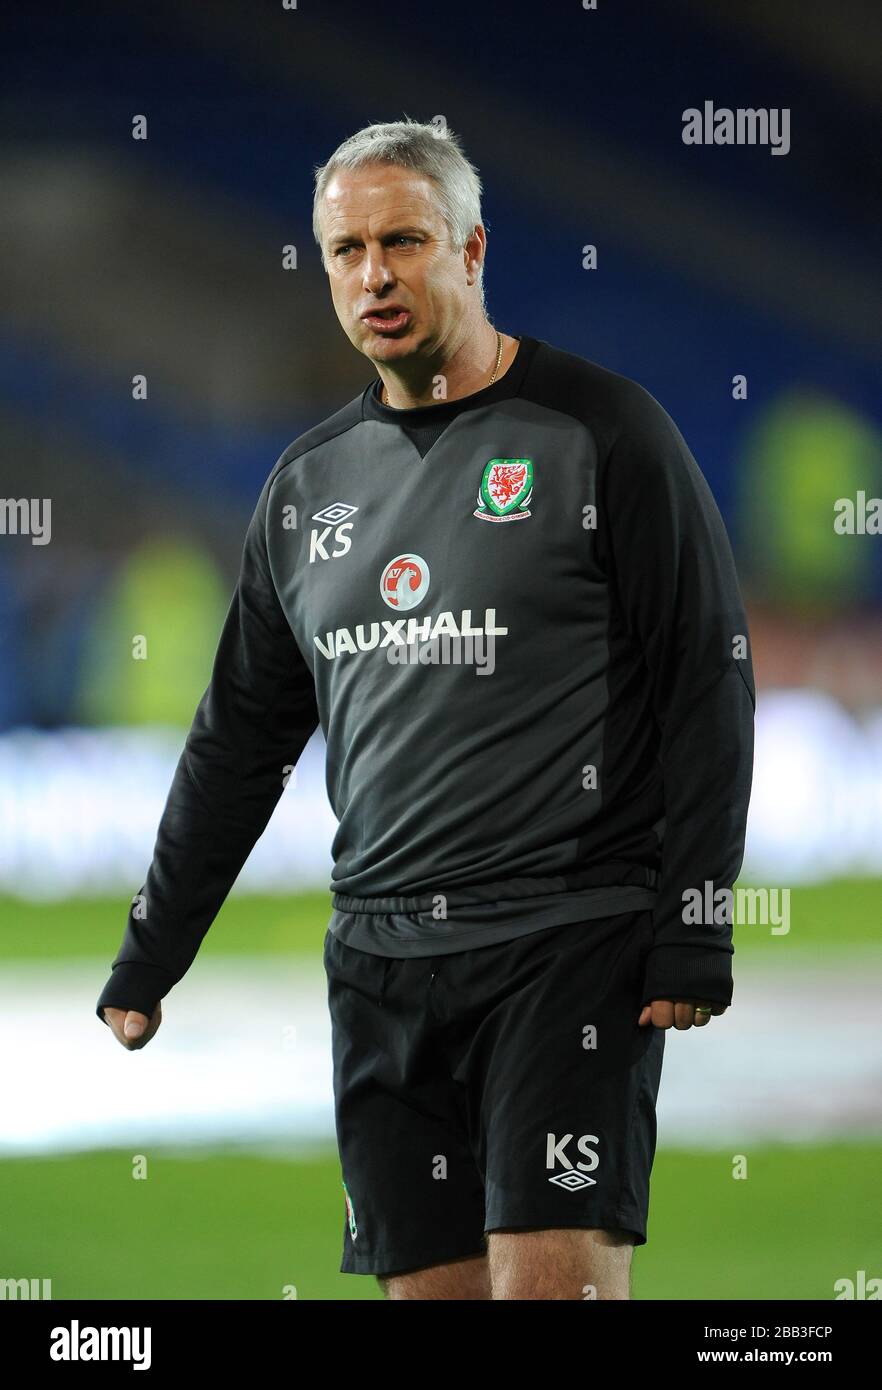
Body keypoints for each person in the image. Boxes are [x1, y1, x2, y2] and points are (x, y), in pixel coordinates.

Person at [96, 118, 755, 1300]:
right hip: (383, 962)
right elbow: (240, 743)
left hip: (569, 945)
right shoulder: (305, 489)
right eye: (346, 250)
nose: (374, 276)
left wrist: (693, 920)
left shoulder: (605, 433)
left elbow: (708, 678)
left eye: (403, 240)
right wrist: (153, 951)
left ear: (471, 249)